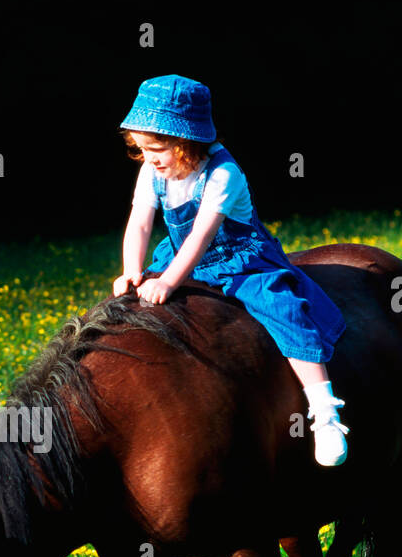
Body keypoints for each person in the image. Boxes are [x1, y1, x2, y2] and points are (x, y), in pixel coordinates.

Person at [112, 74, 350, 467]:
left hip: (238, 256)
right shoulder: (153, 172)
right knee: (135, 309)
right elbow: (140, 222)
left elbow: (203, 235)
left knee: (284, 309)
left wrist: (170, 281)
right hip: (180, 253)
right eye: (141, 149)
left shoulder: (223, 173)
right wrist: (132, 270)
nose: (149, 158)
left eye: (156, 148)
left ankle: (324, 411)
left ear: (186, 141)